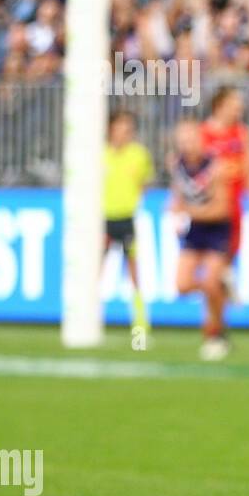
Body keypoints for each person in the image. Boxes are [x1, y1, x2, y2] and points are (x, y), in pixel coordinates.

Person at [169, 120, 233, 361]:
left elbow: (222, 209)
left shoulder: (216, 167)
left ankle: (214, 334)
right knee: (182, 285)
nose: (187, 145)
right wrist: (175, 213)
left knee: (209, 283)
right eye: (182, 141)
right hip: (194, 231)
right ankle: (222, 290)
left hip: (216, 230)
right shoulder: (178, 165)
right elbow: (177, 196)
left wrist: (188, 212)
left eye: (191, 140)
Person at [200, 85, 249, 298]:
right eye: (234, 107)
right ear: (219, 106)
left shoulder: (243, 133)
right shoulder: (203, 134)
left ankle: (218, 314)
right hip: (209, 206)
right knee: (211, 260)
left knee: (228, 253)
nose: (238, 111)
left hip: (233, 205)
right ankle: (219, 291)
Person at [102, 110, 153, 335]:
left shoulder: (139, 155)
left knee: (133, 271)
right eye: (121, 128)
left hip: (127, 218)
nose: (125, 133)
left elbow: (145, 182)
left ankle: (140, 321)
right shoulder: (99, 153)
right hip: (102, 219)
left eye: (128, 129)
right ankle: (90, 316)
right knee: (94, 269)